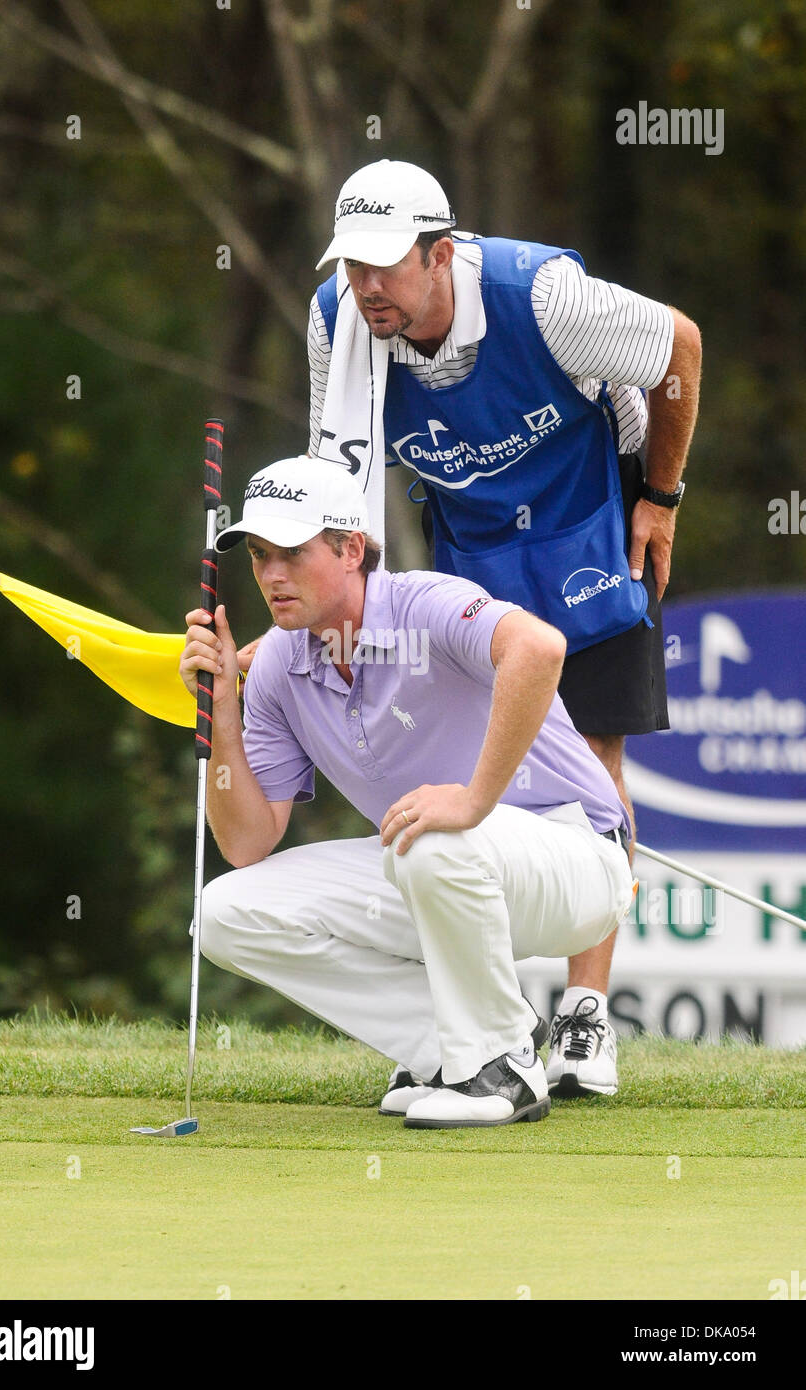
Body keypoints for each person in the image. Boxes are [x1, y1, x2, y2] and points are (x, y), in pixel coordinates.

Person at [307, 159, 702, 1096]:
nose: (364, 288)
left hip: (590, 529)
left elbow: (679, 350)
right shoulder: (337, 321)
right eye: (350, 267)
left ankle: (585, 1017)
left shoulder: (544, 295)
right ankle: (485, 1023)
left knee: (590, 768)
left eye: (384, 267)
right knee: (465, 769)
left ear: (440, 254)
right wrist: (335, 604)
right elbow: (338, 475)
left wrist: (662, 498)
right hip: (472, 550)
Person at [179, 456, 635, 1130]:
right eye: (258, 555)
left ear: (351, 549)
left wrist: (474, 798)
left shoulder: (424, 602)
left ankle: (501, 1071)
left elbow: (538, 648)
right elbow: (247, 843)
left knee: (430, 837)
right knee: (224, 911)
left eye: (293, 553)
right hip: (441, 865)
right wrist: (222, 717)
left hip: (576, 861)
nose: (272, 575)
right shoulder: (277, 662)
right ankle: (450, 1048)